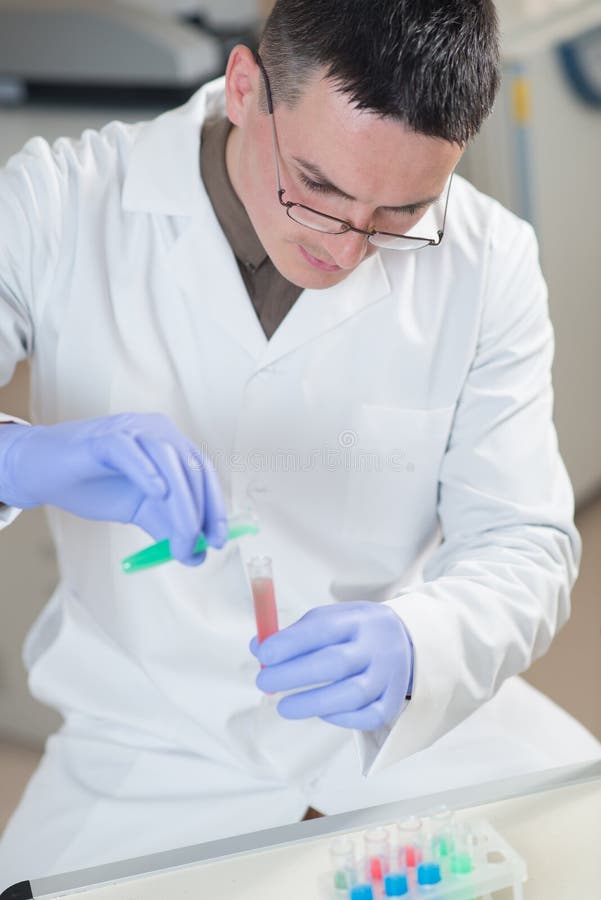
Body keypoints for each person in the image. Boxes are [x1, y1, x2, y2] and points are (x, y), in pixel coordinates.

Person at [0, 0, 599, 888]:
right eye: (315, 187)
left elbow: (525, 541)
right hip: (148, 739)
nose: (346, 247)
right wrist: (20, 459)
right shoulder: (60, 200)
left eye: (399, 212)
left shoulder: (487, 259)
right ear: (246, 88)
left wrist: (419, 644)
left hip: (409, 728)